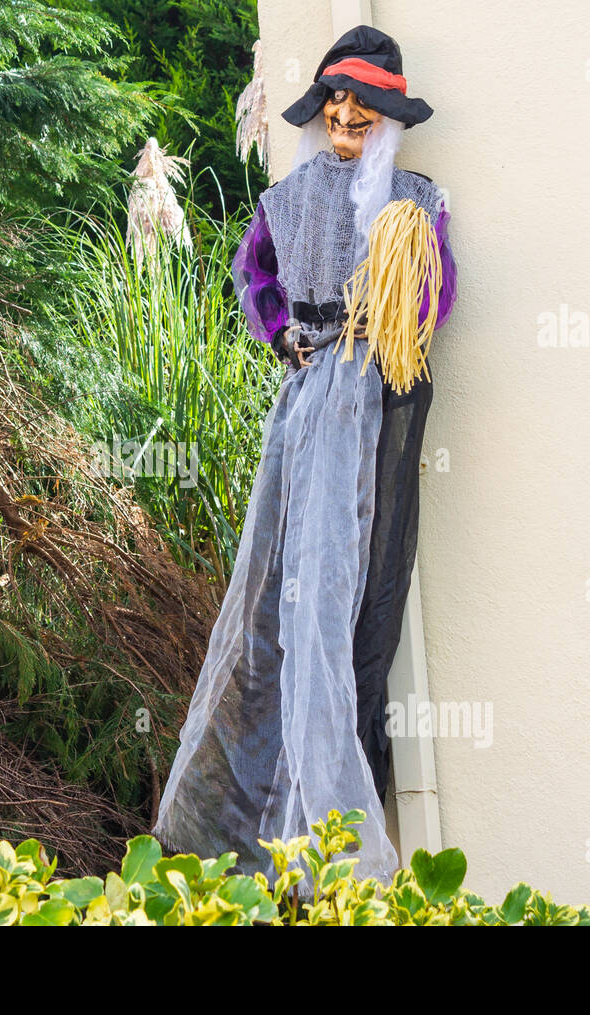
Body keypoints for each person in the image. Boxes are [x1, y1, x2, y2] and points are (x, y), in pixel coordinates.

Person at [154, 25, 457, 883]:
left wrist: (398, 306)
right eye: (335, 99)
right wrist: (285, 333)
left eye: (364, 102)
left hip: (375, 401)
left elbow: (434, 291)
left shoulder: (415, 201)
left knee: (346, 594)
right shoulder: (286, 199)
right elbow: (255, 274)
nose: (346, 113)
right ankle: (236, 821)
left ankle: (327, 830)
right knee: (279, 584)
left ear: (390, 113)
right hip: (308, 397)